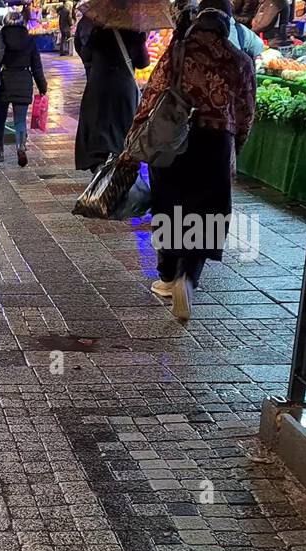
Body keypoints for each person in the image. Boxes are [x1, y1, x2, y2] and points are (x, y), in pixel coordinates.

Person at [131, 0, 255, 321]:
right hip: (215, 145)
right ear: (226, 23)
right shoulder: (239, 61)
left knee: (170, 203)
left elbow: (152, 94)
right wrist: (234, 146)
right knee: (207, 209)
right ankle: (189, 276)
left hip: (172, 141)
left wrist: (136, 135)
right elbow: (246, 113)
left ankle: (168, 275)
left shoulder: (177, 53)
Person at [74, 24, 147, 172]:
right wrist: (141, 40)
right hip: (123, 90)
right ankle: (121, 169)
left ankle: (101, 169)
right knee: (123, 132)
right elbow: (143, 63)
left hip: (99, 88)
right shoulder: (133, 31)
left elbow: (85, 56)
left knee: (98, 131)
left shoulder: (97, 29)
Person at [0, 9, 48, 166]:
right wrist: (42, 86)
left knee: (0, 119)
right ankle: (20, 146)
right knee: (20, 120)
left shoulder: (0, 37)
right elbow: (37, 66)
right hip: (24, 80)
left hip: (3, 81)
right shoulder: (29, 40)